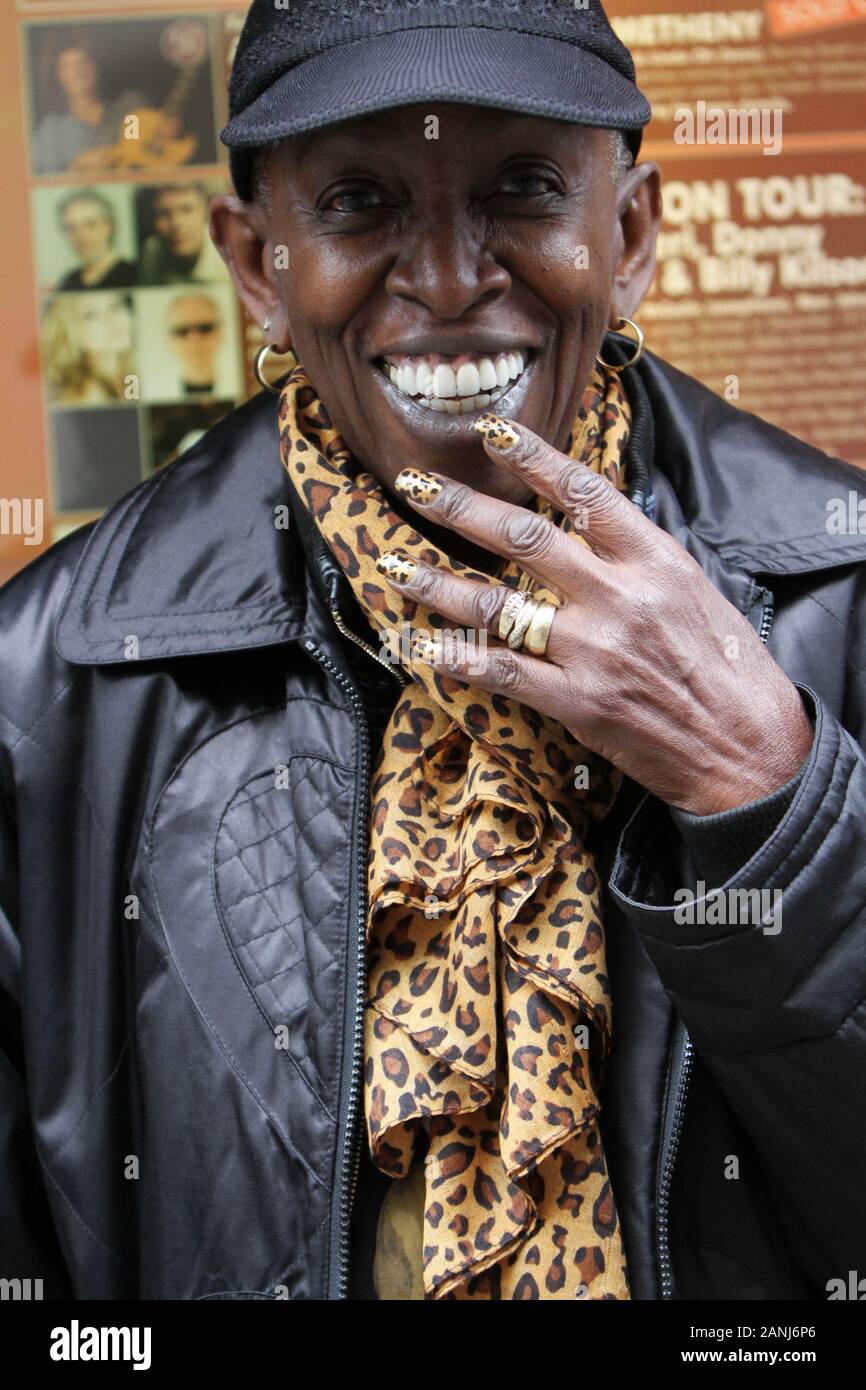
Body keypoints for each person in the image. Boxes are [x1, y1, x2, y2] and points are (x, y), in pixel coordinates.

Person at [2, 0, 865, 1302]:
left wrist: (768, 796)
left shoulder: (841, 596)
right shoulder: (49, 680)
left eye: (522, 188)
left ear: (625, 236)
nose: (452, 280)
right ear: (257, 264)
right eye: (357, 203)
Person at [30, 41, 145, 177]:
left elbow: (148, 153)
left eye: (82, 62)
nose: (77, 71)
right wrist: (80, 165)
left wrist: (115, 156)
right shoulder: (50, 130)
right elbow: (43, 187)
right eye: (67, 67)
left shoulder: (129, 109)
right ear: (59, 77)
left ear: (95, 68)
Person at [41, 290, 135, 404]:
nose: (112, 319)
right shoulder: (87, 395)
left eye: (115, 306)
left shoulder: (130, 375)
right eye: (91, 314)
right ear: (69, 332)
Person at [139, 184, 228, 285]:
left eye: (187, 210)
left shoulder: (228, 256)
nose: (176, 223)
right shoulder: (152, 251)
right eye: (163, 213)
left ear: (207, 212)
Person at [55, 190, 137, 291]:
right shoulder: (69, 282)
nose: (81, 235)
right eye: (71, 228)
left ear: (109, 226)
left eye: (90, 225)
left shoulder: (134, 276)